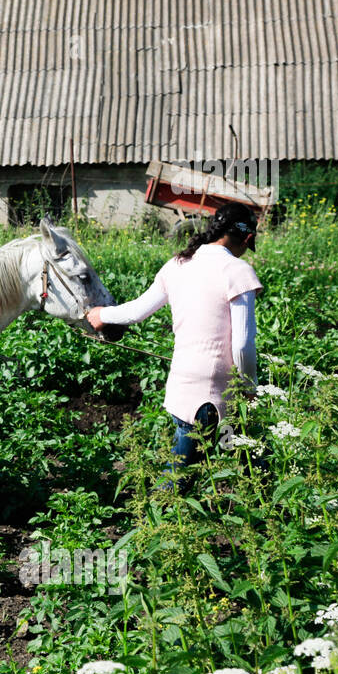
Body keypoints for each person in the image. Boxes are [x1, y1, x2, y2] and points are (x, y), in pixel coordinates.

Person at [86, 203, 263, 491]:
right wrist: (249, 386)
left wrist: (101, 314)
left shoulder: (177, 264)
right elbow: (243, 343)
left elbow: (136, 311)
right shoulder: (237, 270)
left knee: (243, 453)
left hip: (183, 384)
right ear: (245, 238)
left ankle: (256, 506)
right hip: (218, 392)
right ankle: (154, 522)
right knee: (183, 475)